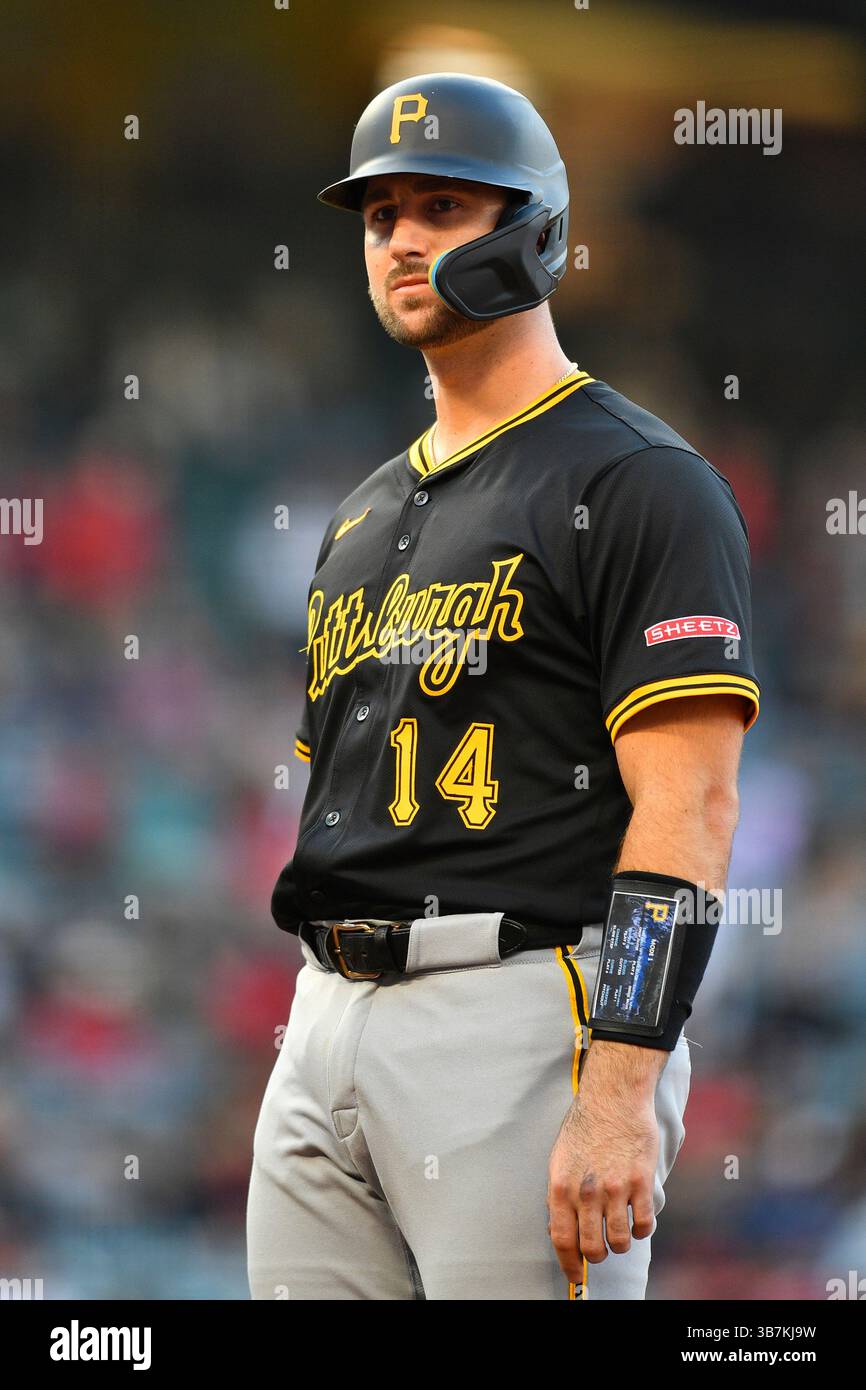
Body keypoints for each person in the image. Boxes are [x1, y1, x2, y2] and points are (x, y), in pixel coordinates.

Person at [247, 71, 760, 1300]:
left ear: (532, 229)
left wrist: (621, 1085)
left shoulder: (640, 481)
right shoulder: (359, 520)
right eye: (379, 216)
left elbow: (687, 810)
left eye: (441, 206)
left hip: (520, 1014)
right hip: (323, 1016)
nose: (402, 238)